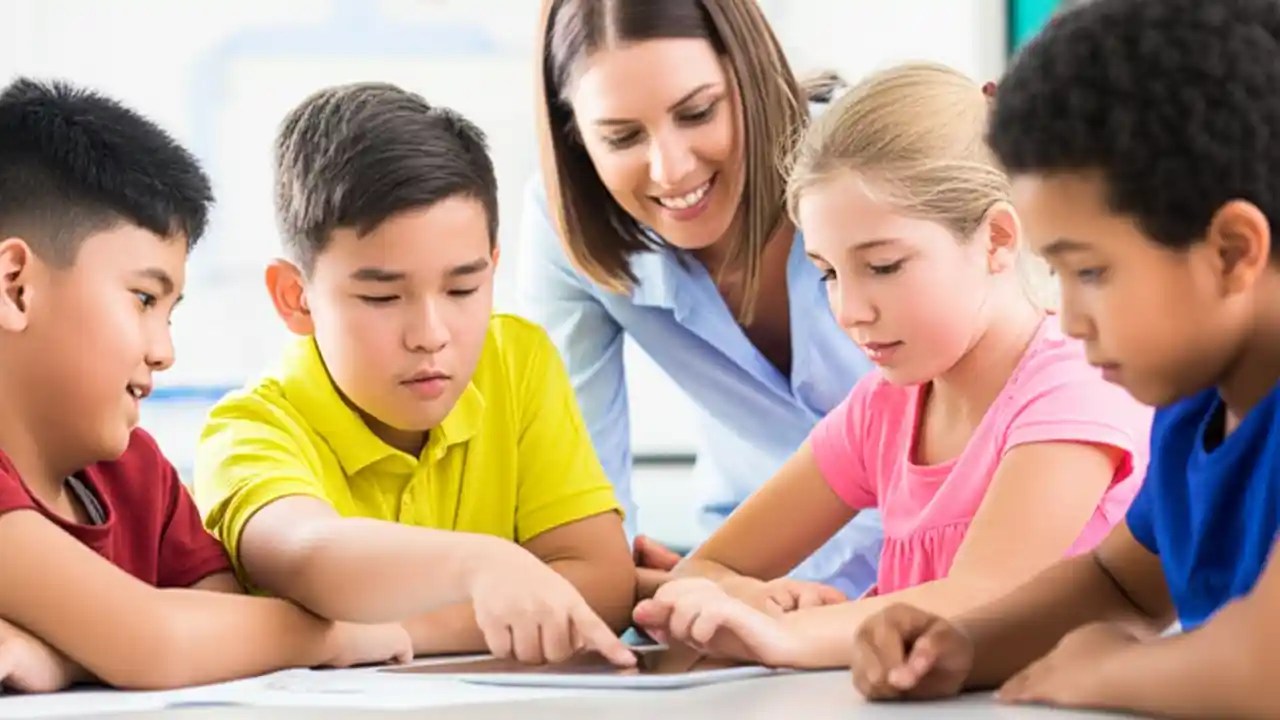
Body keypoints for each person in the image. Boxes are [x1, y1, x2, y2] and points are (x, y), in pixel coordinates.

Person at [629, 61, 1153, 669]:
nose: (849, 310)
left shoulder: (1076, 384)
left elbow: (986, 600)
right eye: (827, 272)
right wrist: (757, 599)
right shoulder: (882, 409)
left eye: (883, 267)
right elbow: (711, 568)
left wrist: (792, 634)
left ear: (998, 240)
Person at [847, 0, 1280, 716]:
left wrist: (1105, 670)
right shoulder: (1195, 410)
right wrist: (961, 643)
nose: (1070, 319)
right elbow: (1119, 584)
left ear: (1232, 251)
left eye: (1091, 272)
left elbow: (1264, 668)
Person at [194, 82, 637, 667]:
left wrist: (389, 634)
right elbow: (307, 556)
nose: (430, 333)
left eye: (462, 288)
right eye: (381, 297)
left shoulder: (517, 361)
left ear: (493, 268)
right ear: (295, 297)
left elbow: (603, 583)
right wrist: (489, 566)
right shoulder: (249, 430)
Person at [0, 78, 411, 693]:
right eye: (142, 298)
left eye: (170, 312)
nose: (164, 351)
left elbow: (224, 625)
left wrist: (60, 658)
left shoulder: (140, 477)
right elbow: (155, 641)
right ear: (15, 287)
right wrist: (335, 635)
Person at [522, 0, 880, 598]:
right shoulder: (568, 226)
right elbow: (573, 504)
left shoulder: (873, 158)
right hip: (750, 588)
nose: (670, 169)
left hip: (951, 570)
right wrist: (627, 587)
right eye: (621, 137)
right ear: (576, 139)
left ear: (751, 72)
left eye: (697, 112)